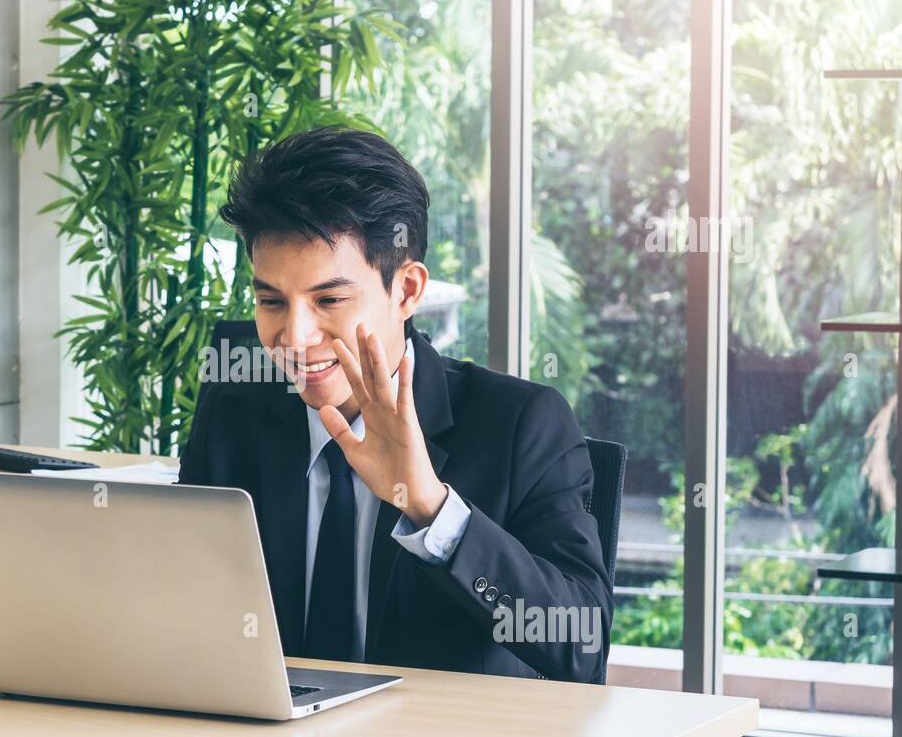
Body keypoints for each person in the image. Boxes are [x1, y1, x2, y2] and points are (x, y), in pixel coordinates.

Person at [178, 126, 613, 683]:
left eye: (329, 299)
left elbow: (582, 645)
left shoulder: (519, 424)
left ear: (407, 290)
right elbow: (185, 601)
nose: (295, 335)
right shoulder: (235, 412)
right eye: (271, 301)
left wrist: (432, 506)